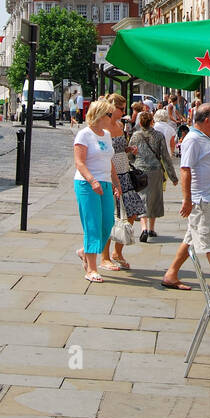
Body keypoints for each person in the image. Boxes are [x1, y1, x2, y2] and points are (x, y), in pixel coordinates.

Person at [161, 103, 210, 290]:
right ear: (207, 120)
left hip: (209, 197)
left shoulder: (205, 138)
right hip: (202, 199)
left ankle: (171, 274)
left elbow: (208, 167)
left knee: (192, 238)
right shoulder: (193, 139)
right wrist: (187, 199)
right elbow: (185, 169)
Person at [73, 98, 121, 284]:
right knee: (92, 224)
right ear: (99, 115)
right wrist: (92, 180)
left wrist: (116, 182)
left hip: (106, 182)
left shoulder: (106, 135)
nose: (113, 117)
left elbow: (109, 160)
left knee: (107, 222)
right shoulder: (84, 135)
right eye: (110, 114)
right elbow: (79, 162)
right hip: (87, 184)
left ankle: (85, 251)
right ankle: (91, 268)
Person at [100, 93, 146, 270]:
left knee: (133, 211)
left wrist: (129, 149)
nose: (123, 111)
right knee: (110, 216)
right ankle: (105, 256)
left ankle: (117, 252)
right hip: (111, 175)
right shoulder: (103, 127)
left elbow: (120, 148)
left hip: (125, 173)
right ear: (112, 107)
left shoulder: (119, 125)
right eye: (121, 108)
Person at [130, 110, 178, 241]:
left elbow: (129, 155)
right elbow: (165, 157)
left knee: (142, 199)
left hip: (140, 170)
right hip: (156, 170)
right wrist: (173, 176)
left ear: (140, 122)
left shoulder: (135, 136)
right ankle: (151, 229)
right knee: (154, 199)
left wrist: (134, 162)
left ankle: (143, 228)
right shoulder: (158, 136)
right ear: (152, 122)